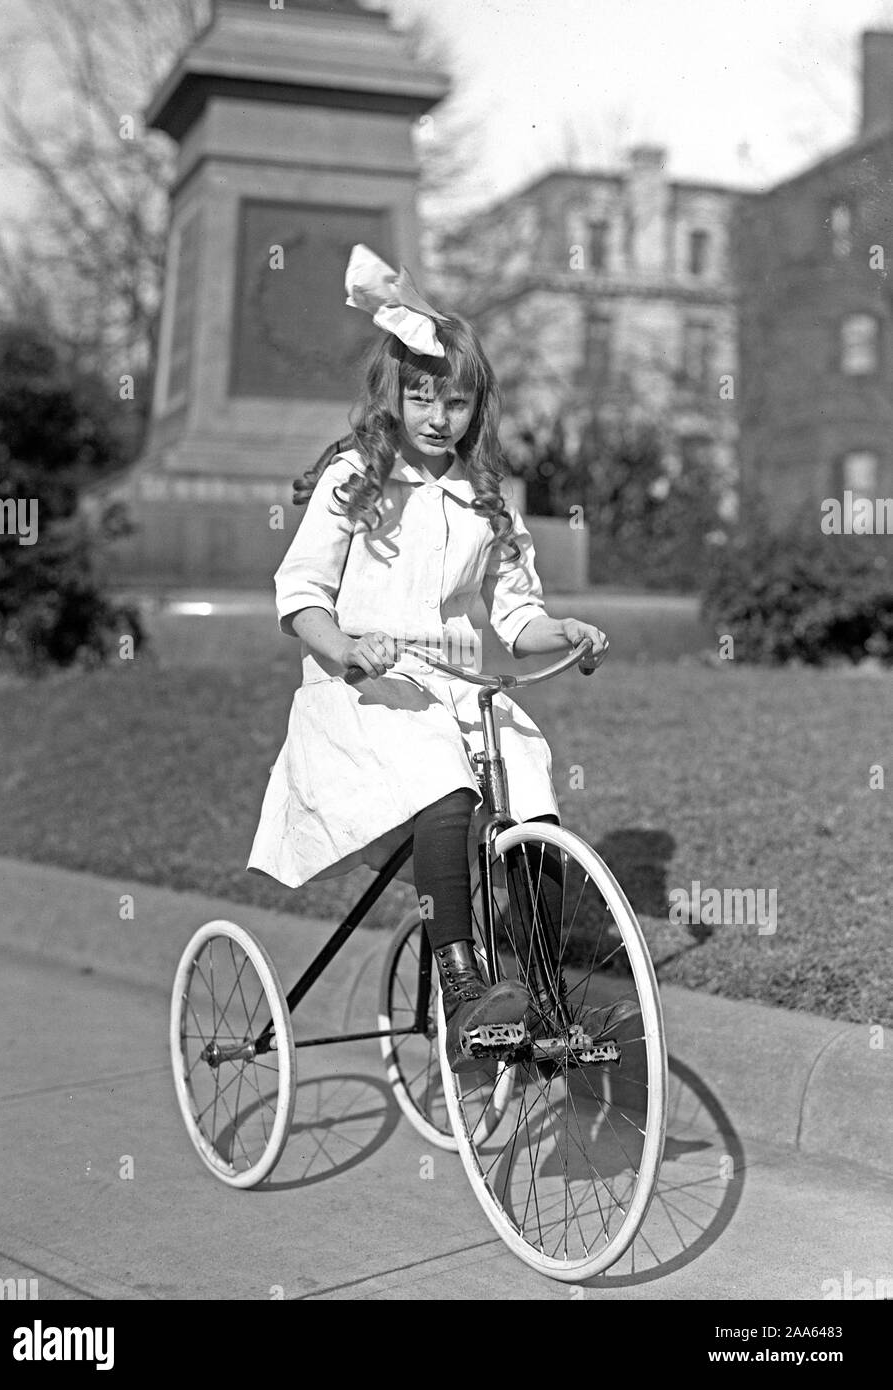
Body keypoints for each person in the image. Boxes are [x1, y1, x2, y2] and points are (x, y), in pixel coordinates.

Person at [248, 246, 609, 1071]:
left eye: (455, 401)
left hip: (456, 688)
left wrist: (569, 631)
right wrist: (346, 647)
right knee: (442, 777)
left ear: (475, 408)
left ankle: (547, 999)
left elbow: (518, 618)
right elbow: (300, 591)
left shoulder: (487, 501)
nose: (437, 417)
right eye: (421, 397)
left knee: (527, 785)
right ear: (394, 397)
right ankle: (464, 987)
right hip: (366, 692)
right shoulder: (357, 478)